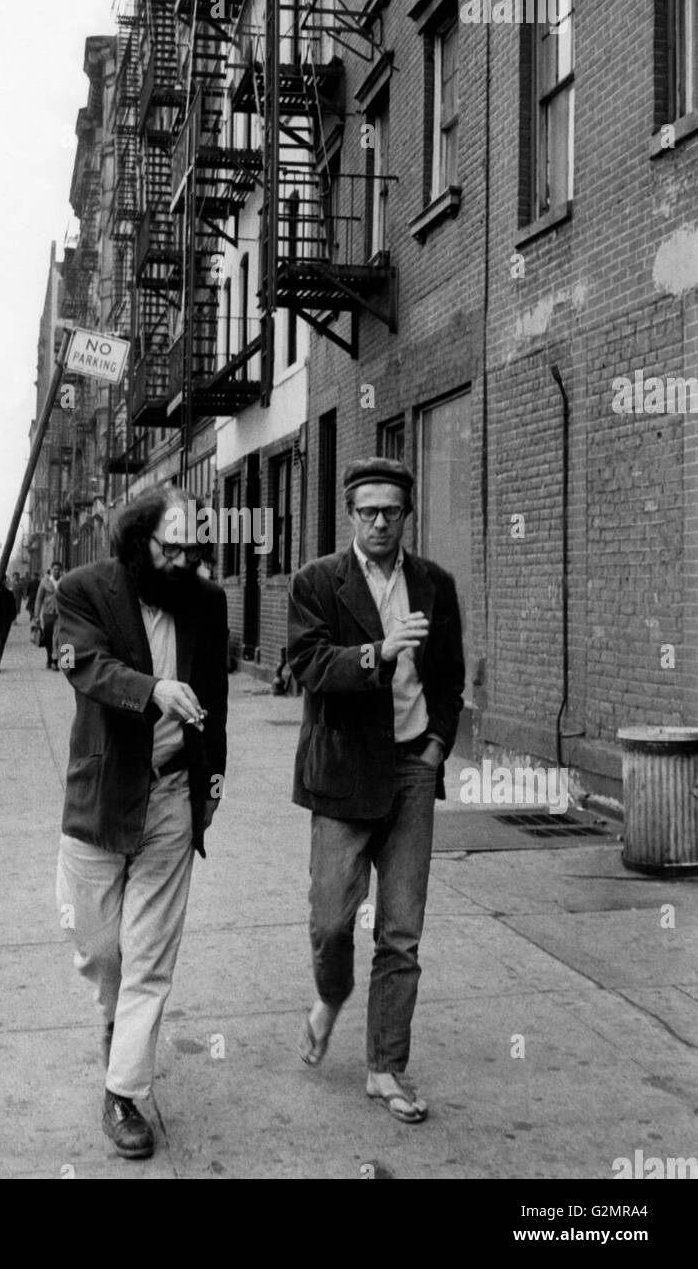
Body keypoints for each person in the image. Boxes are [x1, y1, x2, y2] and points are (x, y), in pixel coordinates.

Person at [287, 458, 465, 1125]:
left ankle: (385, 1066)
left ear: (406, 514)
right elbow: (308, 665)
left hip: (411, 768)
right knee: (331, 921)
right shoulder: (316, 583)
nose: (380, 522)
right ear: (350, 514)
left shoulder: (434, 584)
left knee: (401, 932)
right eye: (368, 511)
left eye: (392, 511)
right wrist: (378, 652)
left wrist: (436, 743)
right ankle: (331, 994)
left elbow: (448, 676)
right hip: (341, 772)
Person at [55, 486, 229, 1160]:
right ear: (138, 542)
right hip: (102, 797)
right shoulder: (83, 590)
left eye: (193, 549)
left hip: (172, 798)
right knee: (100, 950)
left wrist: (210, 787)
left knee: (149, 955)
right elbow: (86, 667)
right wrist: (152, 689)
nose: (183, 562)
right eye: (170, 548)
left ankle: (123, 1092)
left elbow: (215, 706)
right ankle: (114, 1020)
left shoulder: (207, 603)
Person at [34, 562, 64, 670]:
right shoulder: (44, 582)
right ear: (51, 570)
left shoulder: (65, 581)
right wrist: (36, 616)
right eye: (54, 569)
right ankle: (49, 658)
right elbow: (39, 599)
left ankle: (55, 661)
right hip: (48, 613)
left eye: (58, 569)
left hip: (60, 614)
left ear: (61, 570)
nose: (56, 571)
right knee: (48, 637)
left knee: (57, 637)